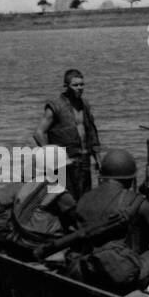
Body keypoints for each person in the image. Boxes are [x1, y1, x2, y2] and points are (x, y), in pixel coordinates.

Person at [37, 149, 149, 297]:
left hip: (88, 271)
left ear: (102, 176)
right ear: (131, 178)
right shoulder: (136, 203)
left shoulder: (84, 199)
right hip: (117, 274)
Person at [33, 69, 100, 200]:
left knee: (85, 200)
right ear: (66, 86)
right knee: (67, 201)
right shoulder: (55, 106)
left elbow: (91, 133)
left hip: (85, 161)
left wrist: (98, 158)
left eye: (82, 85)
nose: (79, 88)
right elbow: (38, 133)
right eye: (75, 85)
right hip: (65, 163)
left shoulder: (85, 105)